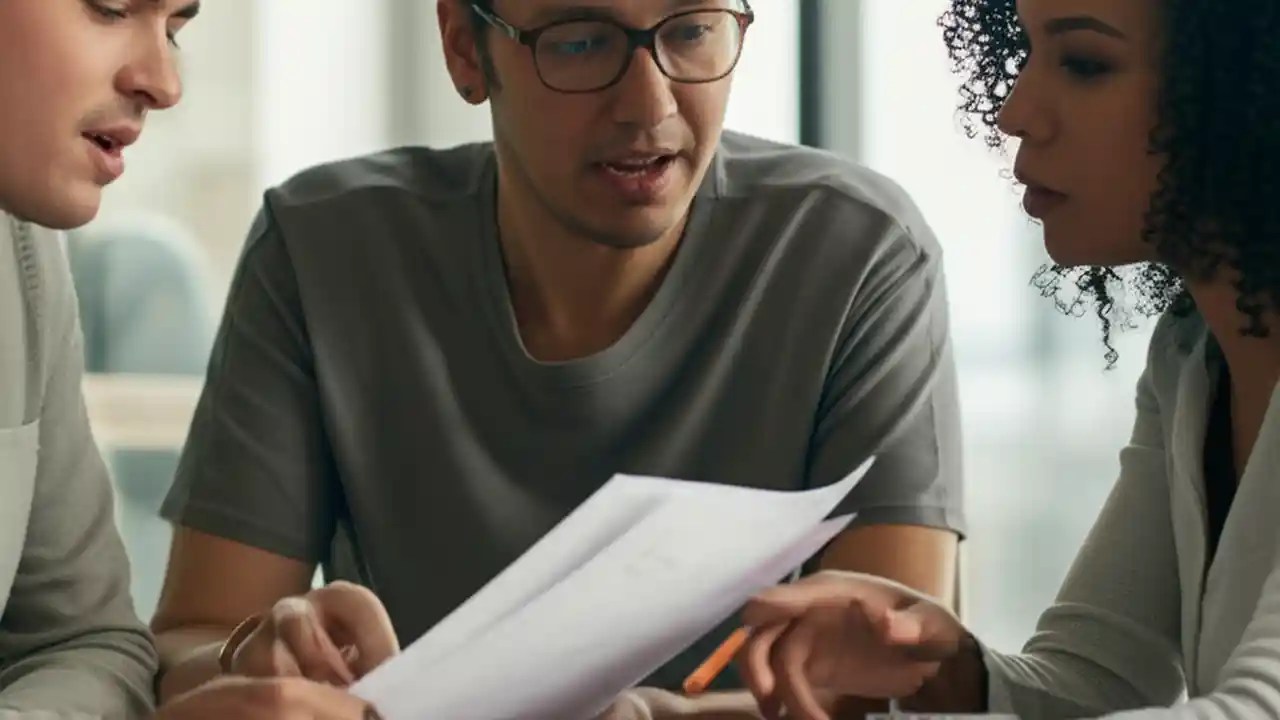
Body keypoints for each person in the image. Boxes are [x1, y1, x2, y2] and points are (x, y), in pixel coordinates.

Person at [149, 0, 967, 717]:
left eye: (691, 30)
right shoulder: (323, 248)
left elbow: (901, 682)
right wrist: (248, 665)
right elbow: (189, 643)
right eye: (579, 41)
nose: (649, 104)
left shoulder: (856, 255)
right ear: (466, 48)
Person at [735, 0, 1280, 718]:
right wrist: (948, 673)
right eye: (1025, 50)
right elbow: (1096, 681)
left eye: (1085, 64)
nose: (1016, 110)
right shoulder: (1190, 357)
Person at [0, 1, 376, 717]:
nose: (164, 83)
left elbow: (84, 644)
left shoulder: (23, 256)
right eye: (111, 6)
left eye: (174, 28)